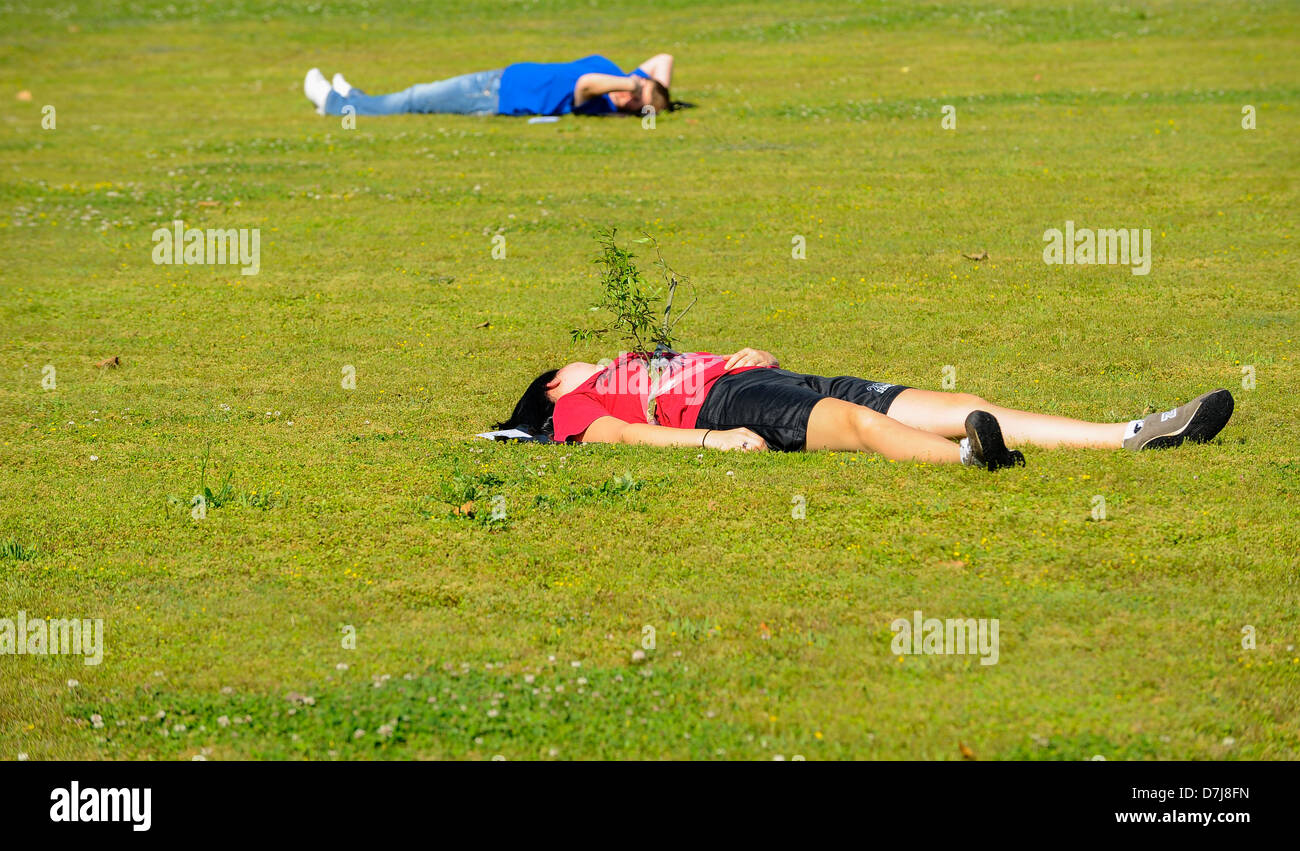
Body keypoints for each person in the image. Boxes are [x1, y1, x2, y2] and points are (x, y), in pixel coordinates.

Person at [494, 348, 1234, 470]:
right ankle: (970, 456)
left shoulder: (630, 362)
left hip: (784, 378)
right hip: (727, 407)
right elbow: (618, 436)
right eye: (572, 361)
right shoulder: (574, 406)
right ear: (554, 384)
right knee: (858, 430)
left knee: (963, 400)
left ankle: (1132, 433)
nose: (585, 358)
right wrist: (710, 446)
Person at [302, 53, 675, 118]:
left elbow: (586, 80)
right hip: (497, 79)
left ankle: (335, 104)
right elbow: (665, 58)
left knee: (415, 98)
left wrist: (635, 88)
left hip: (492, 95)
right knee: (414, 95)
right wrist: (659, 96)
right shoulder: (626, 80)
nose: (627, 97)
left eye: (633, 103)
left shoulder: (599, 97)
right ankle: (356, 98)